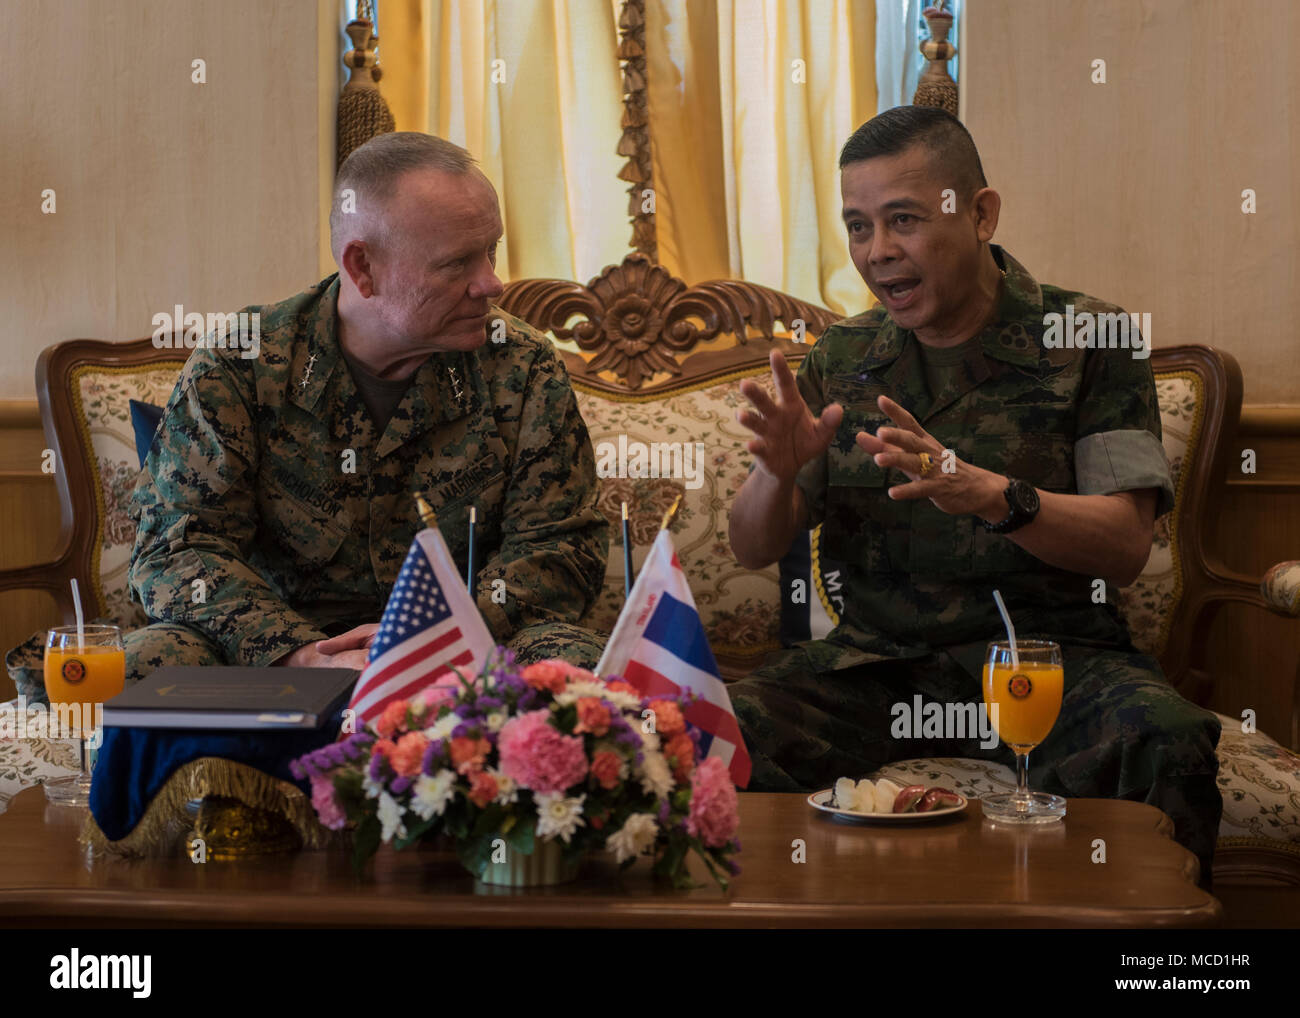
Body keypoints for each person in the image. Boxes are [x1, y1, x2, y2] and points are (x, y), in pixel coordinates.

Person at [727, 106, 1222, 885]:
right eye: (859, 227)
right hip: (876, 668)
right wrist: (776, 473)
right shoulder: (844, 356)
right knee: (720, 731)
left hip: (1050, 665)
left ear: (981, 213)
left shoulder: (1092, 338)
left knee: (1163, 737)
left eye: (905, 220)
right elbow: (752, 546)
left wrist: (994, 495)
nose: (878, 252)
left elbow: (1124, 547)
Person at [111, 132, 608, 681]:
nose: (490, 283)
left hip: (469, 648)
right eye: (457, 263)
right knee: (139, 668)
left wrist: (423, 642)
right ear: (363, 266)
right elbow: (177, 549)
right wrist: (300, 653)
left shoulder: (522, 365)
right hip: (277, 653)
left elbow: (561, 549)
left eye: (491, 250)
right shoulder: (242, 363)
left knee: (582, 672)